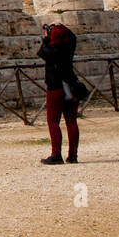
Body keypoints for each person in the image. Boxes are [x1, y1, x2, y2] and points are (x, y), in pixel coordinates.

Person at [37, 21, 80, 164]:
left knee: (53, 121)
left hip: (55, 87)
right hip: (71, 85)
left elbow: (42, 49)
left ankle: (56, 154)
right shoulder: (69, 46)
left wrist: (48, 35)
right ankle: (73, 156)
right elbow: (72, 37)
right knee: (72, 121)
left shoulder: (49, 51)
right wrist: (63, 27)